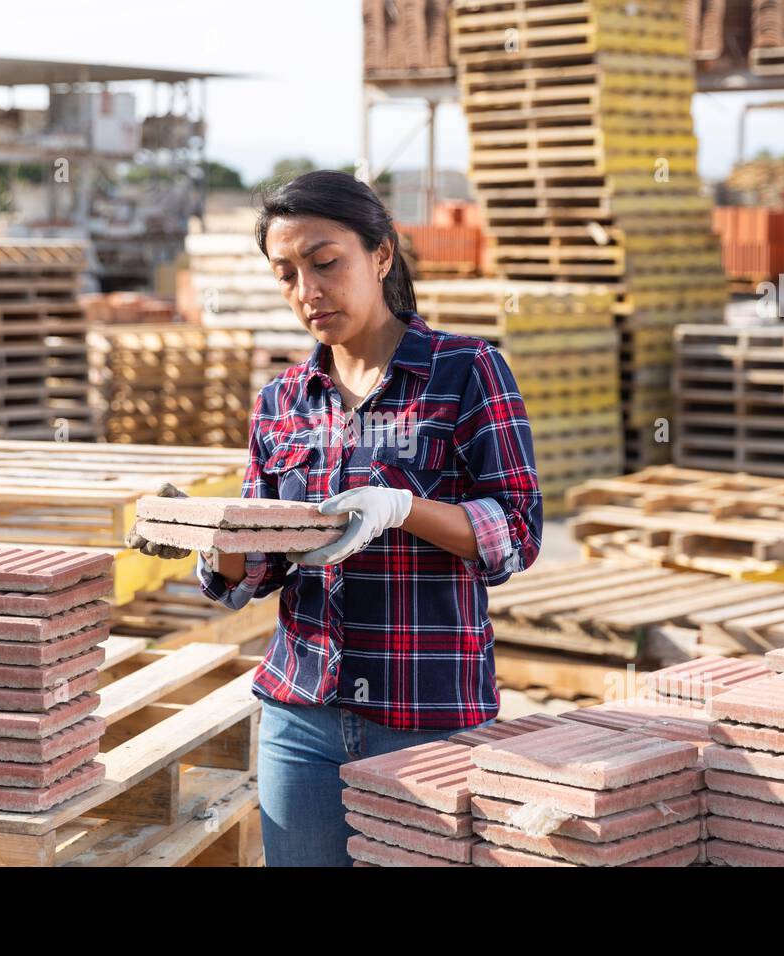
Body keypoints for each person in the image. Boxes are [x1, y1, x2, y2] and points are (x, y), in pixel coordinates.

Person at [132, 169, 543, 866]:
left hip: (426, 718)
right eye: (286, 274)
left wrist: (404, 509)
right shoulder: (283, 399)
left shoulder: (466, 370)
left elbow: (518, 531)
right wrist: (212, 533)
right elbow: (249, 578)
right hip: (301, 717)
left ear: (381, 255)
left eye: (325, 263)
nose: (307, 291)